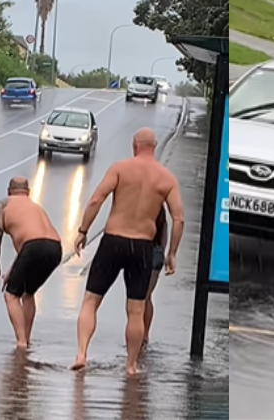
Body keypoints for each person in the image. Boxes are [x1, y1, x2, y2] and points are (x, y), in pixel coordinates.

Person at [71, 127, 185, 374]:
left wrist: (83, 230)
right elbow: (178, 219)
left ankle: (81, 354)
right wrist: (172, 253)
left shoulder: (120, 169)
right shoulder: (166, 178)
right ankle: (131, 365)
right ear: (153, 147)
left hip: (112, 241)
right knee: (136, 310)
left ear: (134, 145)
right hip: (142, 247)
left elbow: (95, 200)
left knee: (90, 301)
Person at [0, 176, 63, 349]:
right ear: (28, 192)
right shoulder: (35, 207)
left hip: (34, 248)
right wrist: (12, 271)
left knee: (11, 295)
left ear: (9, 191)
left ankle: (21, 343)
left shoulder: (3, 205)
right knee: (27, 293)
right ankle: (26, 338)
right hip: (55, 249)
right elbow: (30, 245)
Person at [144, 206, 169, 348]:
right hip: (156, 251)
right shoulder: (160, 205)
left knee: (141, 298)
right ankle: (144, 334)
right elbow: (165, 227)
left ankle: (142, 334)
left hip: (146, 250)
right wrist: (164, 251)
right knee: (146, 297)